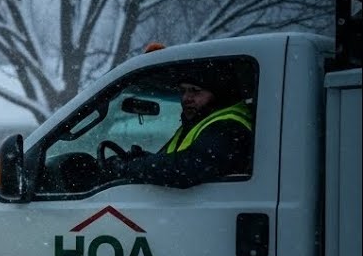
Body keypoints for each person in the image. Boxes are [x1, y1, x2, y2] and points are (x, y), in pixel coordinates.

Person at [106, 70, 254, 187]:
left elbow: (187, 167)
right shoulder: (200, 122)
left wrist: (129, 168)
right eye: (183, 91)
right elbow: (178, 159)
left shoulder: (227, 125)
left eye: (195, 90)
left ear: (218, 94)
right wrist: (144, 159)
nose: (186, 98)